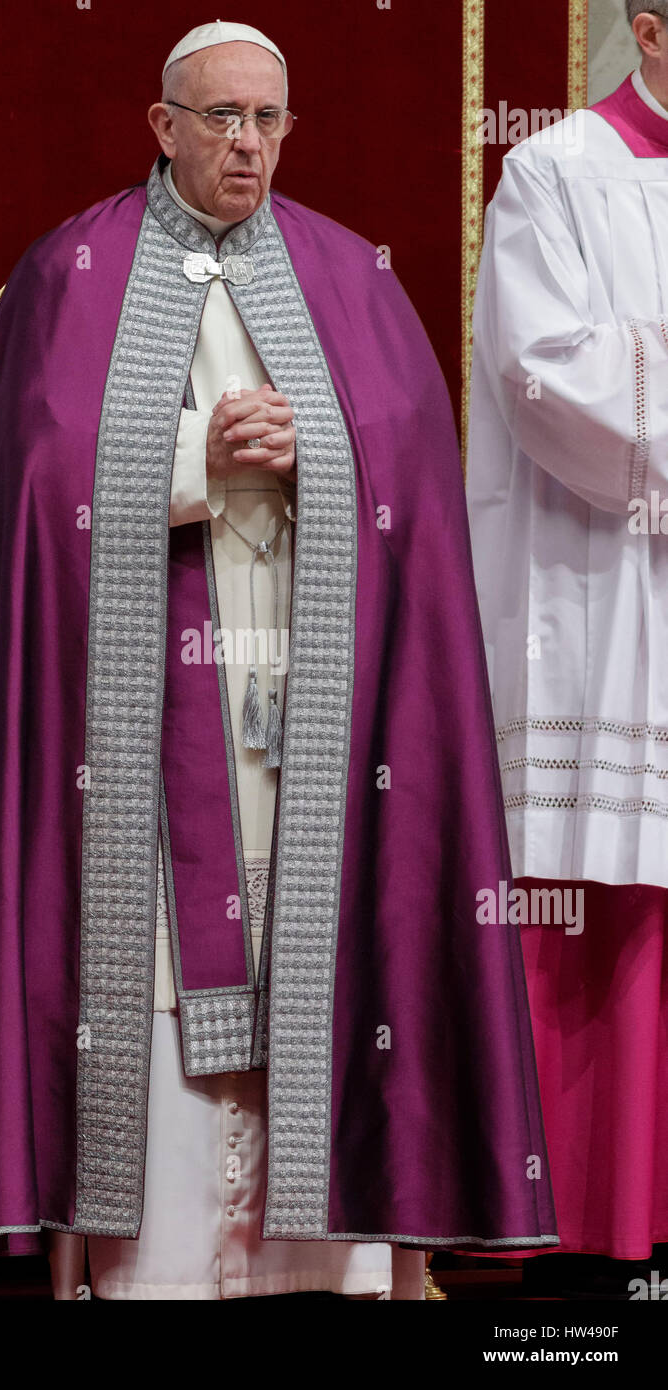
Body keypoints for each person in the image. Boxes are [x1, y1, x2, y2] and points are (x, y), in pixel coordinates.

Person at [0, 21, 558, 1300]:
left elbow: (415, 468)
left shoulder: (345, 274)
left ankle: (330, 1267)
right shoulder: (71, 273)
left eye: (267, 122)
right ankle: (159, 1269)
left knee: (316, 951)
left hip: (307, 708)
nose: (246, 145)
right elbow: (31, 489)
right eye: (219, 120)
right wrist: (197, 458)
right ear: (162, 125)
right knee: (155, 975)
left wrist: (331, 453)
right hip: (134, 726)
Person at [465, 2, 668, 1262]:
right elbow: (547, 372)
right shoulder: (554, 172)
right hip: (604, 589)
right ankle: (580, 1214)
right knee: (600, 893)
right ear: (646, 28)